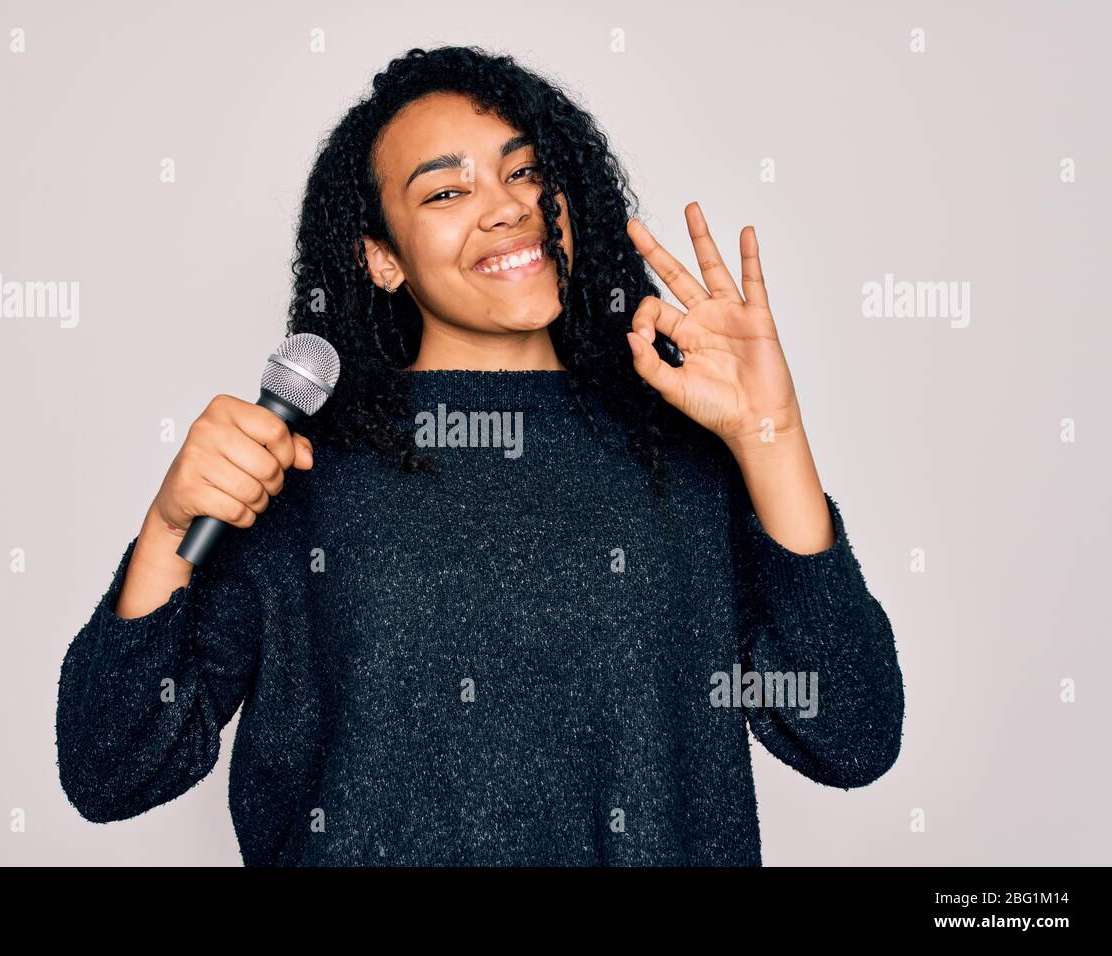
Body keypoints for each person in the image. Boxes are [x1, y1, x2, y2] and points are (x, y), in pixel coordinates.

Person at [55, 45, 905, 866]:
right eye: (446, 191)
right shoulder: (297, 472)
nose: (507, 207)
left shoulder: (677, 448)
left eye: (526, 172)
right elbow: (113, 769)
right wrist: (169, 528)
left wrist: (772, 439)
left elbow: (852, 734)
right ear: (381, 259)